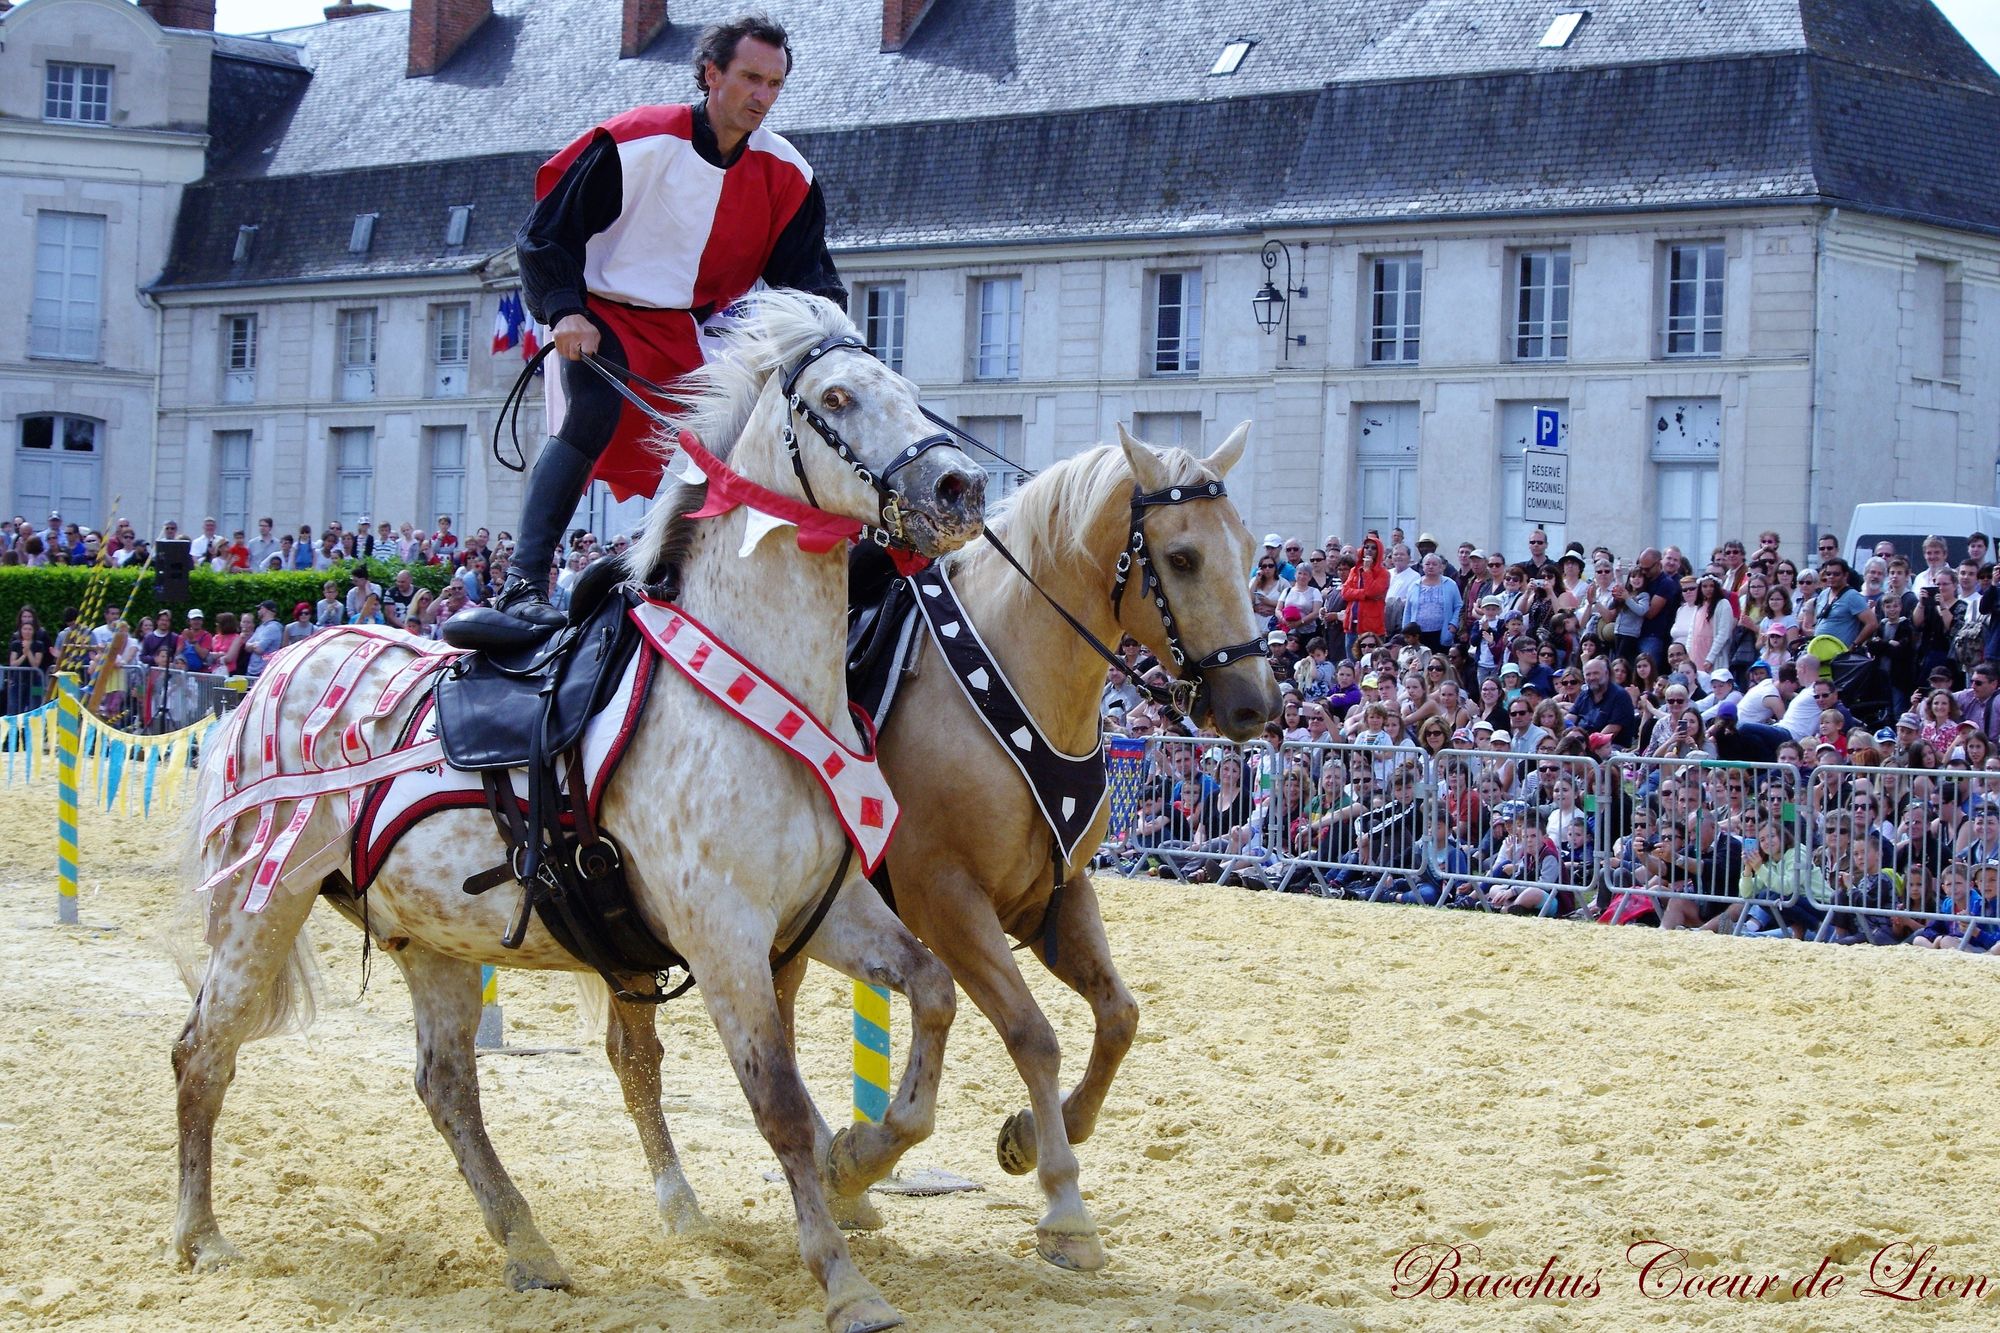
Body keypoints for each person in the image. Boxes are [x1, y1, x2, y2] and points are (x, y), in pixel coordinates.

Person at [499, 13, 845, 629]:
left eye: (774, 84)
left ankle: (682, 579)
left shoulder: (787, 174)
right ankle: (523, 581)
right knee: (593, 412)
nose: (762, 96)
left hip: (697, 331)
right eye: (749, 78)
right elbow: (545, 236)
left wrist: (837, 346)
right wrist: (565, 310)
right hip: (603, 317)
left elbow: (809, 279)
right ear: (711, 74)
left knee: (742, 436)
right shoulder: (637, 142)